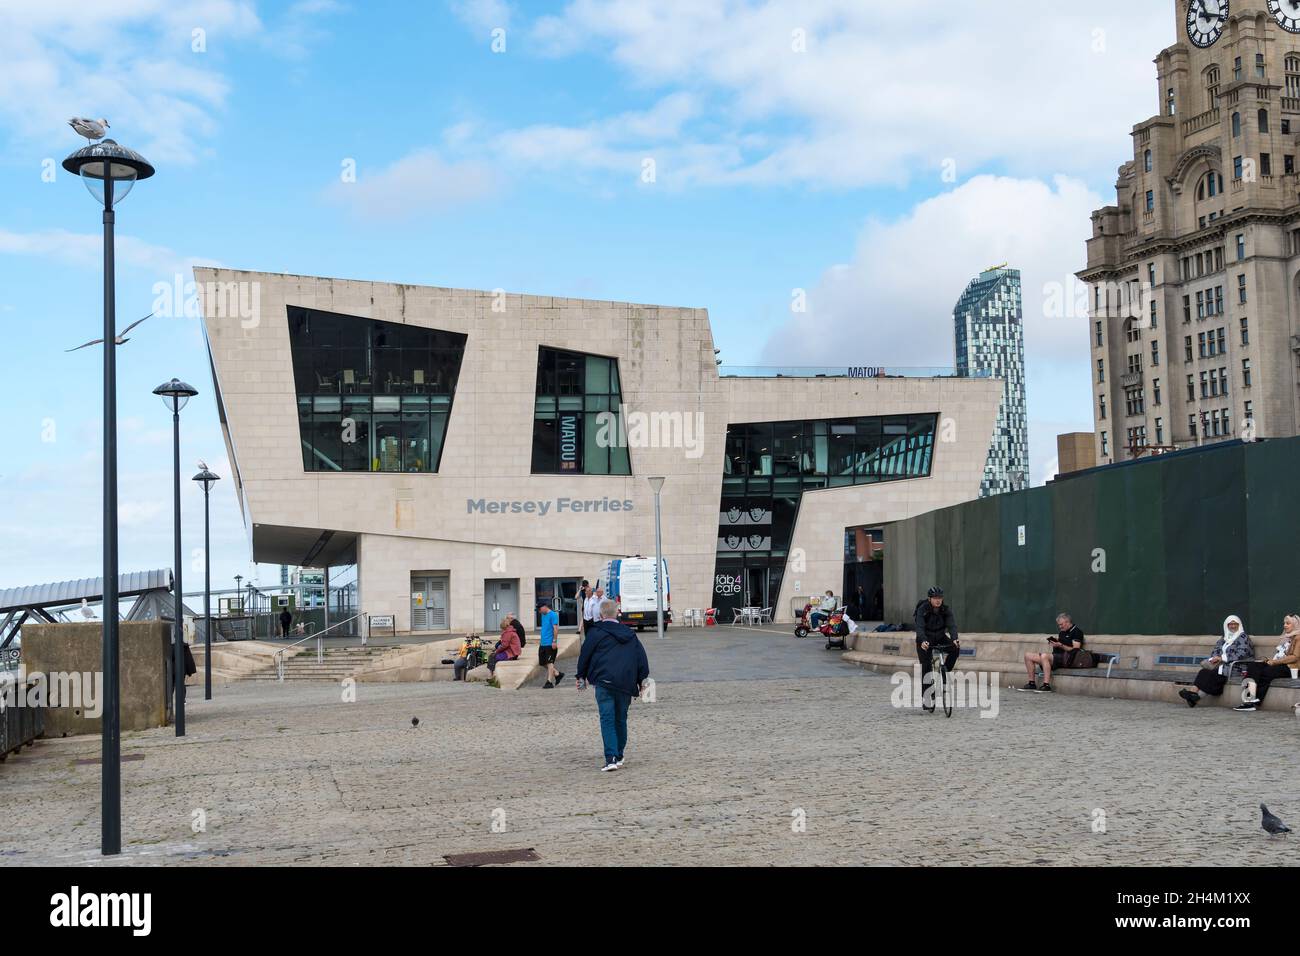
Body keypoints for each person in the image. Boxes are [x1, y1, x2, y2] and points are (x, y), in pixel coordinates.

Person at [575, 598, 650, 772]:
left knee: (607, 720)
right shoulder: (630, 634)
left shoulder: (595, 633)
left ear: (601, 614)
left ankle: (611, 758)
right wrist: (642, 680)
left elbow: (584, 656)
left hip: (604, 682)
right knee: (620, 719)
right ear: (617, 613)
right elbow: (641, 659)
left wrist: (581, 677)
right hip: (625, 683)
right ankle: (619, 753)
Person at [1179, 614, 1255, 707]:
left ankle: (1194, 696)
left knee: (1213, 674)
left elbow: (1241, 654)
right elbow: (1216, 650)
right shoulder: (1224, 638)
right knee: (1204, 672)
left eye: (1235, 624)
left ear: (1239, 625)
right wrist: (1214, 658)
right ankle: (1193, 694)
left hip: (1238, 666)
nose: (1233, 626)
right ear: (1226, 625)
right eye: (1230, 624)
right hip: (1222, 665)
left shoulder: (1243, 637)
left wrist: (1222, 658)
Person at [1234, 614, 1300, 712]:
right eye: (1284, 623)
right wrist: (1269, 660)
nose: (1285, 625)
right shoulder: (1289, 637)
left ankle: (1252, 703)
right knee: (1254, 666)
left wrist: (1275, 662)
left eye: (1288, 623)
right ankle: (1248, 699)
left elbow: (1295, 657)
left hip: (1292, 668)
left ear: (1295, 625)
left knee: (1267, 672)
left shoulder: (1298, 638)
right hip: (1282, 664)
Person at [914, 586, 959, 713]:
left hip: (940, 636)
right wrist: (923, 640)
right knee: (926, 666)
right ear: (930, 599)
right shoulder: (923, 610)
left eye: (940, 598)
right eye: (935, 598)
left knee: (955, 648)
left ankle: (945, 670)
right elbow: (919, 627)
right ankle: (927, 698)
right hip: (925, 639)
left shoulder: (946, 610)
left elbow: (952, 625)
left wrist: (955, 638)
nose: (938, 601)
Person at [1020, 613, 1085, 693]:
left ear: (1068, 622)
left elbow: (1076, 650)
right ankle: (1031, 683)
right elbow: (1061, 644)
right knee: (1028, 656)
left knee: (1044, 656)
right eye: (1059, 625)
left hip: (1068, 659)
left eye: (1061, 624)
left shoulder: (1077, 632)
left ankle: (1046, 685)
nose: (1060, 627)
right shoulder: (1062, 632)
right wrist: (1055, 643)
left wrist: (1060, 645)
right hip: (1056, 657)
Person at [537, 601, 564, 689]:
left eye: (540, 609)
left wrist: (554, 641)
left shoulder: (553, 615)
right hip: (543, 643)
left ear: (545, 607)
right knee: (542, 663)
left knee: (549, 662)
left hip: (550, 643)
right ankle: (557, 674)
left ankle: (549, 682)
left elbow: (555, 629)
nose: (539, 611)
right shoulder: (543, 615)